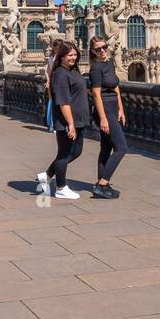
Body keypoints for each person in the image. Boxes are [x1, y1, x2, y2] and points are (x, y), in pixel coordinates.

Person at [37, 40, 89, 200]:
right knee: (64, 153)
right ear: (62, 57)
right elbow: (63, 101)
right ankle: (60, 187)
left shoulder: (72, 70)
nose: (73, 58)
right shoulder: (60, 73)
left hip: (78, 119)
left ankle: (47, 176)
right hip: (67, 121)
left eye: (75, 54)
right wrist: (70, 124)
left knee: (76, 152)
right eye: (70, 55)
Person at [87, 36, 127, 199]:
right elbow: (96, 94)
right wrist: (103, 118)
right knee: (121, 148)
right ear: (93, 52)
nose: (102, 51)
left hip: (112, 109)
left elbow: (116, 87)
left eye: (104, 47)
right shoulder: (95, 68)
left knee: (106, 148)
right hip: (104, 110)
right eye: (98, 49)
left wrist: (121, 109)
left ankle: (101, 183)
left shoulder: (109, 63)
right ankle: (103, 183)